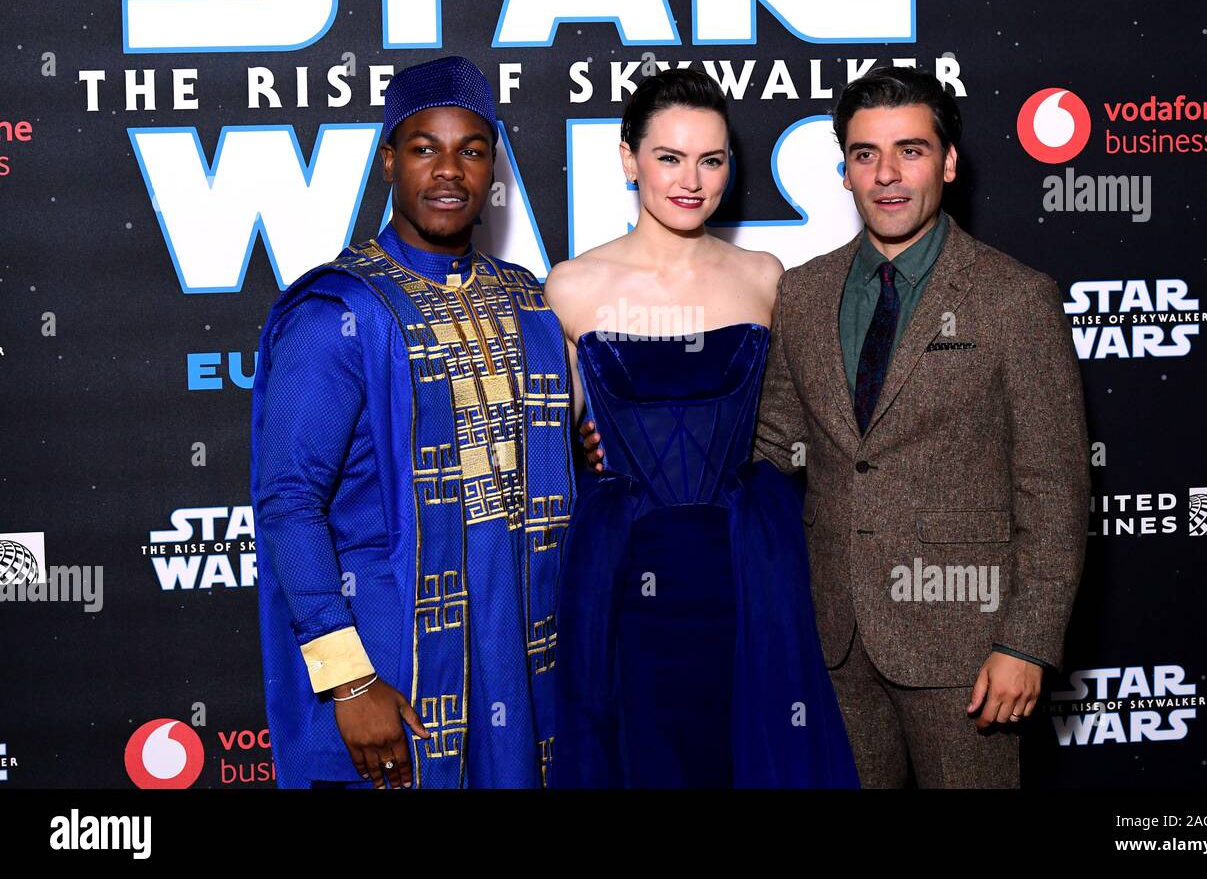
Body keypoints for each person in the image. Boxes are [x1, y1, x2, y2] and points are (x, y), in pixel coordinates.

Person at [751, 67, 1090, 787]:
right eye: (866, 154)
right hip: (834, 641)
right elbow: (774, 443)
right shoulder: (804, 292)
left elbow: (1055, 488)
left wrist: (1026, 643)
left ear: (949, 161)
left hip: (967, 647)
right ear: (844, 170)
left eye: (911, 149)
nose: (887, 174)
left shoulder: (1015, 298)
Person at [251, 56, 574, 789]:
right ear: (389, 161)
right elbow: (288, 501)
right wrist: (349, 680)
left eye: (472, 149)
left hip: (521, 650)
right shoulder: (338, 311)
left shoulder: (525, 299)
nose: (450, 171)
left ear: (493, 169)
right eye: (425, 148)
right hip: (395, 655)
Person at [545, 67, 858, 788]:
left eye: (712, 160)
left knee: (753, 755)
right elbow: (545, 438)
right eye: (669, 157)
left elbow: (804, 418)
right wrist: (580, 446)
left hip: (749, 563)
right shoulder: (571, 286)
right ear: (629, 159)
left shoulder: (764, 276)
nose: (693, 180)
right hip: (623, 570)